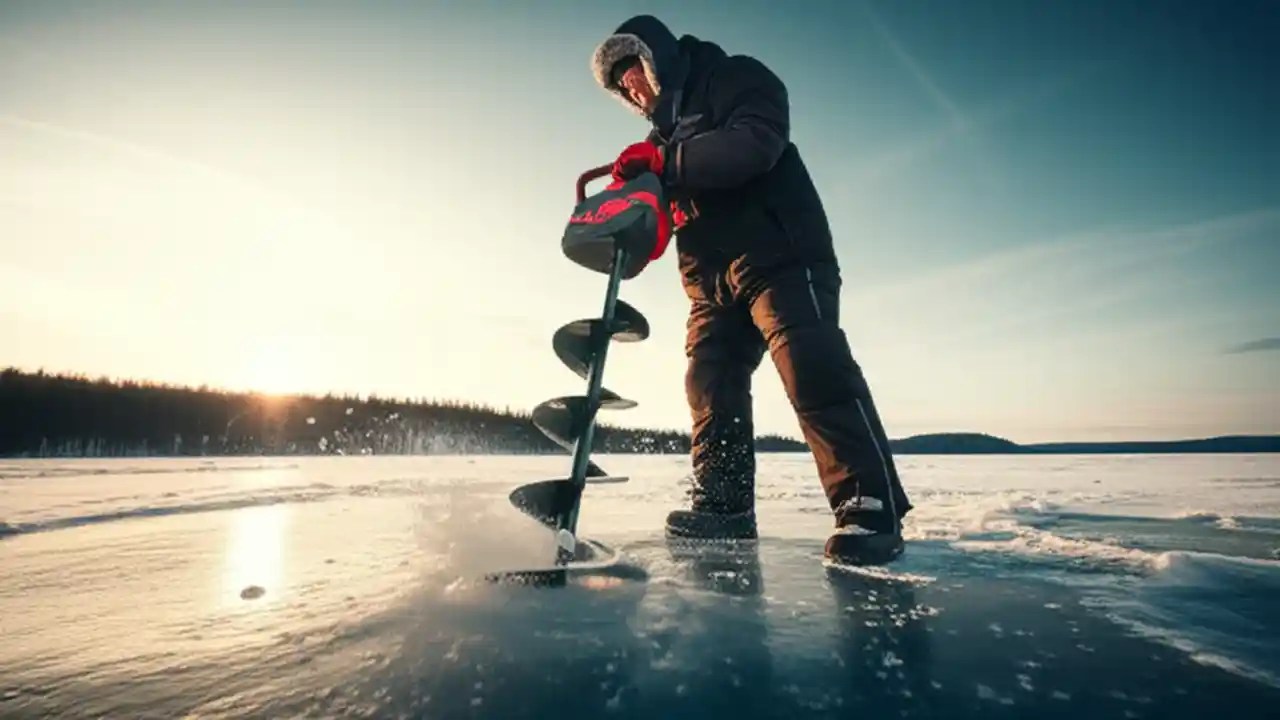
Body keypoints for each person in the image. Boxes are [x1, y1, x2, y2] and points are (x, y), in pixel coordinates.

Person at [590, 15, 912, 565]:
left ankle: (868, 502)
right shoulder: (656, 145)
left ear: (656, 57)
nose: (632, 88)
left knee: (808, 363)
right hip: (710, 281)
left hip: (780, 253)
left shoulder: (734, 78)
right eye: (621, 86)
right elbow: (660, 218)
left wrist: (666, 163)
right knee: (709, 381)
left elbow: (755, 144)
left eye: (633, 71)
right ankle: (724, 506)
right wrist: (628, 221)